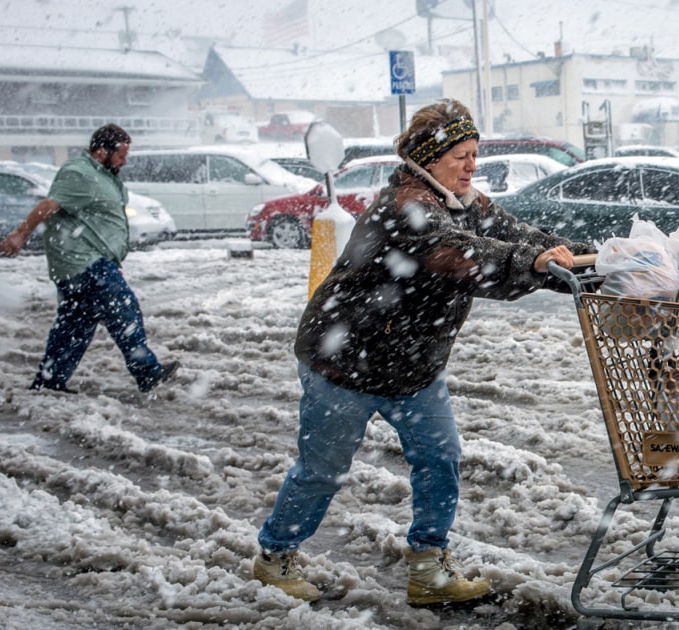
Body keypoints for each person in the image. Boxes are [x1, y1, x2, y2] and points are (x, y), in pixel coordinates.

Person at [252, 99, 593, 604]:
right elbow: (465, 258)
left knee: (440, 458)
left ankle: (429, 568)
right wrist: (532, 263)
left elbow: (517, 237)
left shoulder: (466, 202)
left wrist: (584, 263)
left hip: (413, 367)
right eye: (461, 156)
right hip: (345, 362)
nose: (473, 166)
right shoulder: (406, 209)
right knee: (323, 470)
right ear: (429, 159)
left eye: (475, 154)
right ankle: (275, 555)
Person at [0, 124, 179, 395]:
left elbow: (98, 221)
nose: (125, 161)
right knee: (124, 311)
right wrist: (19, 235)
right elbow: (47, 206)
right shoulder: (80, 174)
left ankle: (49, 382)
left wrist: (112, 259)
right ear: (101, 151)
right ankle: (148, 372)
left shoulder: (102, 175)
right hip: (84, 263)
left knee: (75, 325)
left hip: (85, 264)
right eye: (121, 155)